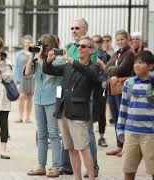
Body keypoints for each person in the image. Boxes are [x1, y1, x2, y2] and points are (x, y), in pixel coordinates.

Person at [43, 36, 99, 180]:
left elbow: (89, 74)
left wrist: (70, 59)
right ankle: (77, 177)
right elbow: (48, 70)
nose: (79, 48)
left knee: (83, 148)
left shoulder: (93, 67)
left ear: (91, 50)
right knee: (71, 149)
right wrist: (49, 58)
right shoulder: (69, 66)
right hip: (64, 111)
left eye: (83, 46)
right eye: (78, 46)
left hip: (79, 113)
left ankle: (92, 177)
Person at [60, 18, 99, 177]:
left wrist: (70, 59)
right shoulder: (69, 47)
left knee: (86, 140)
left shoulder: (92, 52)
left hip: (83, 100)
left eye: (77, 28)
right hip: (67, 102)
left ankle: (92, 171)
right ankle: (71, 171)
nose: (74, 30)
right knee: (70, 144)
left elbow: (89, 72)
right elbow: (60, 68)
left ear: (85, 29)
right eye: (72, 28)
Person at [25, 34, 62, 177]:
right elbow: (27, 73)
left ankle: (56, 166)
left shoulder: (58, 61)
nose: (42, 48)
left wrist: (40, 58)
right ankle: (41, 165)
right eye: (41, 45)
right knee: (41, 134)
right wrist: (32, 56)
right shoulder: (37, 59)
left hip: (52, 100)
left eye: (45, 45)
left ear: (51, 46)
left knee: (53, 134)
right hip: (38, 100)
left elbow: (49, 71)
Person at [116, 51, 154, 180]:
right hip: (131, 133)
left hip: (150, 134)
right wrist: (120, 129)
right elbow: (124, 107)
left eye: (141, 62)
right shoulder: (129, 83)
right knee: (128, 169)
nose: (137, 65)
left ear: (150, 66)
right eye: (136, 62)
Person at [105, 30, 135, 157]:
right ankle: (119, 145)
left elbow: (121, 69)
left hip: (123, 87)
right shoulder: (117, 53)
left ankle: (127, 148)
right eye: (117, 40)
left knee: (124, 118)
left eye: (122, 39)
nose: (119, 42)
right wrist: (113, 70)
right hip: (113, 87)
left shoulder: (130, 53)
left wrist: (112, 70)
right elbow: (107, 68)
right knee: (116, 117)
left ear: (128, 39)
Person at [92, 35, 111, 147]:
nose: (97, 44)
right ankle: (89, 137)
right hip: (89, 86)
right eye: (94, 42)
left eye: (99, 41)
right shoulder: (87, 54)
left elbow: (109, 71)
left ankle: (101, 137)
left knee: (101, 112)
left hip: (101, 86)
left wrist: (99, 61)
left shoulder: (107, 56)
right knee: (89, 111)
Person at [14, 35, 35, 123]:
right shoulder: (19, 54)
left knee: (30, 97)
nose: (27, 44)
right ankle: (20, 116)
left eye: (29, 42)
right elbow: (17, 68)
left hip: (32, 77)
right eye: (25, 42)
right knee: (21, 97)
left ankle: (27, 117)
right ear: (23, 43)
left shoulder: (34, 53)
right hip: (22, 78)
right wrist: (16, 80)